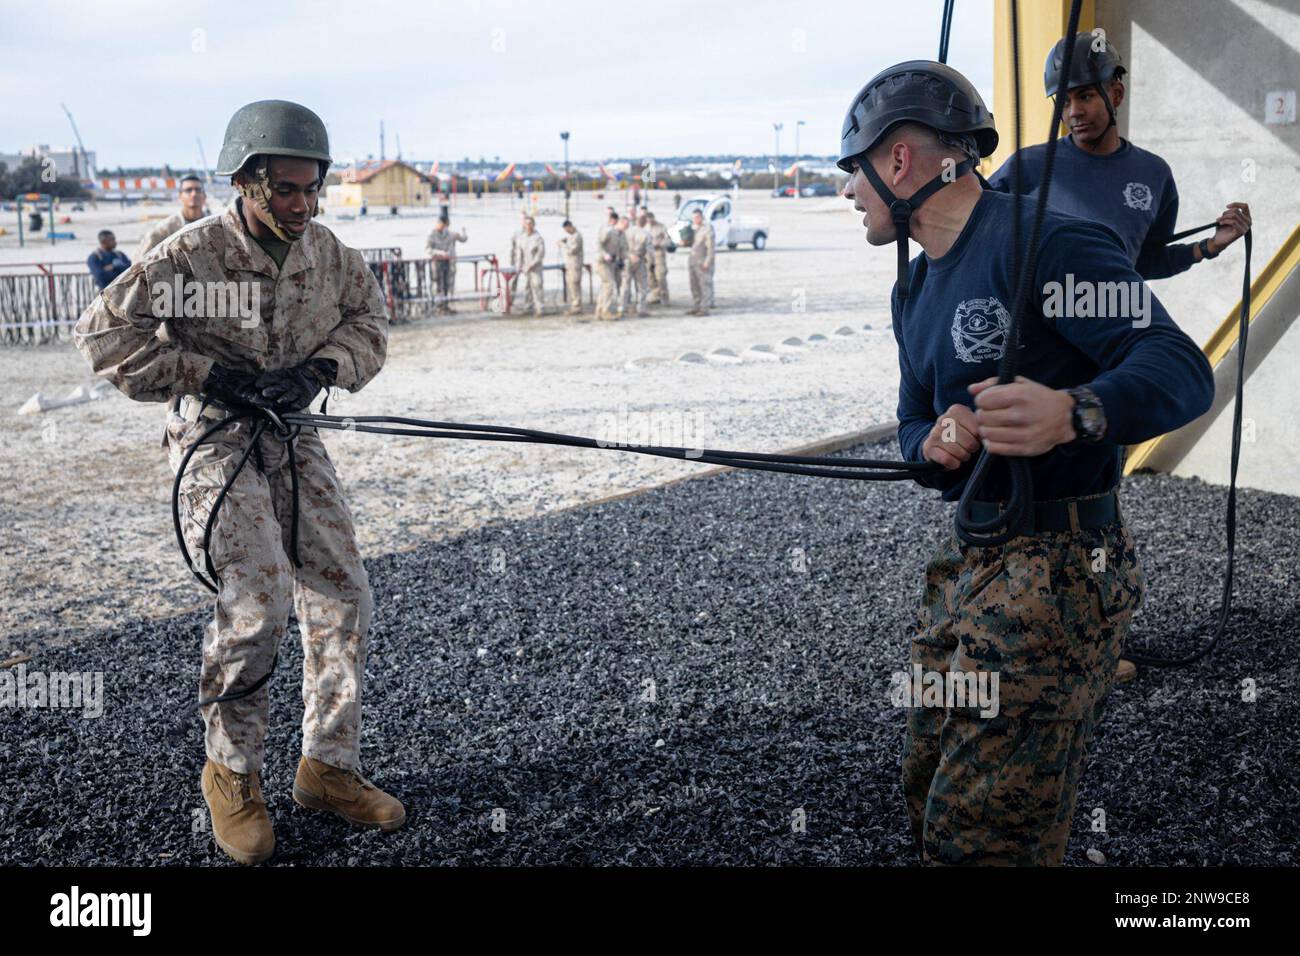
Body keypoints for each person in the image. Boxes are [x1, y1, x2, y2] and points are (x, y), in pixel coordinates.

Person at [837, 61, 1214, 866]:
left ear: (898, 161)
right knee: (928, 783)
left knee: (986, 835)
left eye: (853, 171)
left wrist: (1075, 411)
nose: (848, 192)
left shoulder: (1046, 244)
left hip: (1062, 573)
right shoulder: (911, 290)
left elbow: (1178, 364)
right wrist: (929, 444)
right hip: (967, 565)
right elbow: (911, 421)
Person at [73, 99, 397, 867]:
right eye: (284, 189)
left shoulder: (328, 253)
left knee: (343, 590)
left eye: (310, 188)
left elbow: (369, 323)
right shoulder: (189, 257)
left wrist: (320, 371)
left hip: (292, 434)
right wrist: (207, 372)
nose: (300, 204)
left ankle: (327, 767)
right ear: (247, 183)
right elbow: (102, 337)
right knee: (256, 601)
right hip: (214, 439)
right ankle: (232, 773)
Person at [988, 32, 1250, 685]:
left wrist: (1209, 248)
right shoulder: (1026, 168)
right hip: (1032, 361)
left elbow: (1144, 260)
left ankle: (1088, 651)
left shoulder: (1152, 176)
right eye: (1062, 100)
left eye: (1083, 94)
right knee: (1012, 502)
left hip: (1104, 366)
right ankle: (1015, 642)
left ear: (1116, 91)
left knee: (1091, 510)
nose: (1073, 110)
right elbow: (973, 234)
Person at [136, 175, 210, 259]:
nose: (194, 194)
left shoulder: (211, 225)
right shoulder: (166, 229)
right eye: (188, 190)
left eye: (198, 190)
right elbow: (140, 260)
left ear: (204, 196)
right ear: (180, 196)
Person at [426, 215, 468, 314]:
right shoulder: (431, 234)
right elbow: (428, 249)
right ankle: (438, 306)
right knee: (437, 284)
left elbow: (463, 239)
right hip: (437, 263)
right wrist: (440, 253)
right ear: (438, 223)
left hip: (449, 263)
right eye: (443, 224)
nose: (444, 227)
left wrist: (464, 230)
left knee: (448, 284)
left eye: (446, 225)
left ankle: (446, 305)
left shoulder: (450, 233)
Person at [594, 209, 625, 321]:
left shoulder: (619, 234)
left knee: (605, 286)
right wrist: (605, 254)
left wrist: (621, 260)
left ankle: (599, 311)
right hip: (602, 262)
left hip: (611, 263)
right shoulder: (608, 231)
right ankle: (605, 311)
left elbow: (621, 249)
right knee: (609, 284)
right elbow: (599, 243)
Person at [620, 212, 652, 317]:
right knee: (642, 286)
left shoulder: (627, 232)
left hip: (627, 259)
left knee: (625, 285)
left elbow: (621, 246)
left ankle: (622, 307)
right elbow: (649, 251)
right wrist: (651, 263)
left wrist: (628, 255)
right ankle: (641, 308)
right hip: (639, 260)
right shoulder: (646, 234)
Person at [686, 208, 714, 316]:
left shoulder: (707, 229)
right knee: (694, 285)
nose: (695, 219)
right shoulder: (694, 229)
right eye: (693, 218)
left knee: (704, 285)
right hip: (693, 261)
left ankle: (704, 308)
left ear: (701, 217)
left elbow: (711, 248)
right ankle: (696, 306)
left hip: (702, 261)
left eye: (697, 217)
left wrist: (708, 262)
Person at [516, 215, 545, 317]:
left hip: (535, 267)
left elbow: (540, 254)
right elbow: (519, 253)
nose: (528, 226)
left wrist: (533, 264)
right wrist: (519, 266)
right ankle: (528, 307)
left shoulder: (538, 238)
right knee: (527, 288)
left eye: (530, 224)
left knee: (537, 287)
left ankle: (539, 308)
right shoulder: (522, 237)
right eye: (526, 224)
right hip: (525, 267)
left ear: (533, 225)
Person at [558, 219, 585, 317]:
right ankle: (574, 305)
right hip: (570, 265)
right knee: (571, 286)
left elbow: (572, 250)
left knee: (574, 285)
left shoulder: (577, 236)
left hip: (575, 265)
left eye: (566, 229)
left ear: (569, 226)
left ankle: (577, 306)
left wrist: (563, 244)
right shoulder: (572, 236)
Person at [645, 210, 671, 305]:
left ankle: (665, 297)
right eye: (648, 220)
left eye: (651, 220)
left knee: (660, 276)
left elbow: (668, 240)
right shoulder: (645, 227)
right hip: (648, 255)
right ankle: (656, 295)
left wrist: (660, 244)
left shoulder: (661, 227)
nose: (650, 222)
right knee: (650, 277)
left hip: (658, 254)